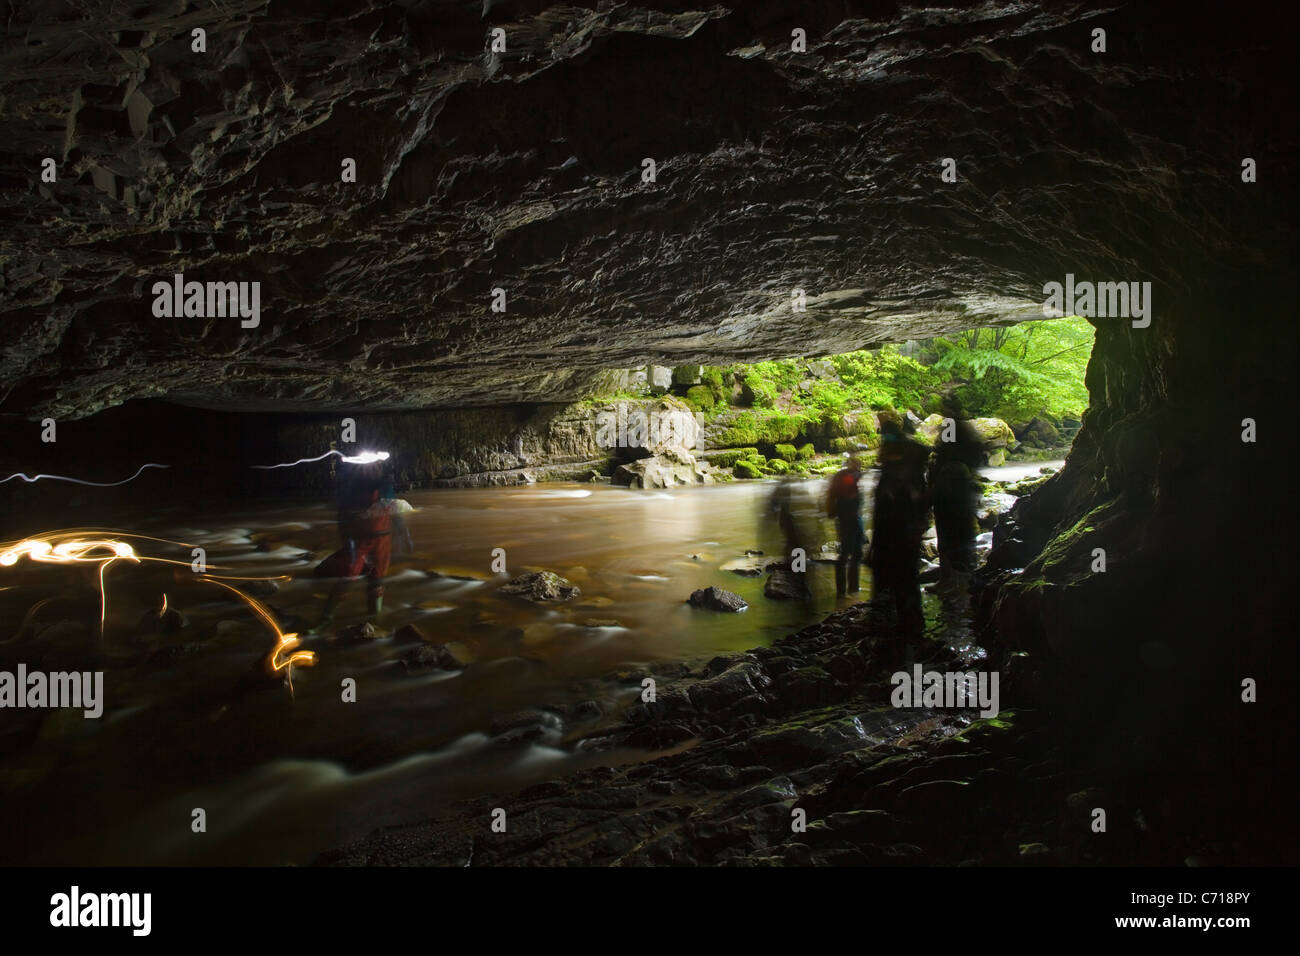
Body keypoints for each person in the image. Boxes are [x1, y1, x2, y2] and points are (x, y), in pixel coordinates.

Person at [314, 458, 412, 626]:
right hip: (360, 539)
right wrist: (347, 539)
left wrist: (404, 535)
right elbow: (343, 516)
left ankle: (374, 620)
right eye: (369, 465)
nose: (373, 468)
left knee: (378, 580)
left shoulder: (384, 485)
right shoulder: (354, 489)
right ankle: (325, 619)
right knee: (348, 576)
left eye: (376, 465)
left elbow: (394, 510)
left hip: (382, 538)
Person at [868, 417, 930, 654]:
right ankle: (907, 627)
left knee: (899, 579)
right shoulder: (902, 470)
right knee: (905, 580)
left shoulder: (899, 473)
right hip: (901, 536)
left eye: (883, 441)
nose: (879, 448)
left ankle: (902, 631)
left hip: (898, 537)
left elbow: (893, 510)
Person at [928, 397, 983, 586]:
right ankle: (965, 576)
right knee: (963, 534)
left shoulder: (950, 425)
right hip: (963, 488)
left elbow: (945, 451)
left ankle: (951, 580)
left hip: (950, 488)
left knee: (949, 535)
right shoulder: (967, 429)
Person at [826, 456, 865, 595]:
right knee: (846, 554)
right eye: (856, 463)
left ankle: (853, 589)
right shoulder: (846, 476)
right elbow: (838, 495)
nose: (858, 465)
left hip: (854, 518)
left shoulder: (847, 476)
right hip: (847, 519)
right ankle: (843, 591)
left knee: (856, 553)